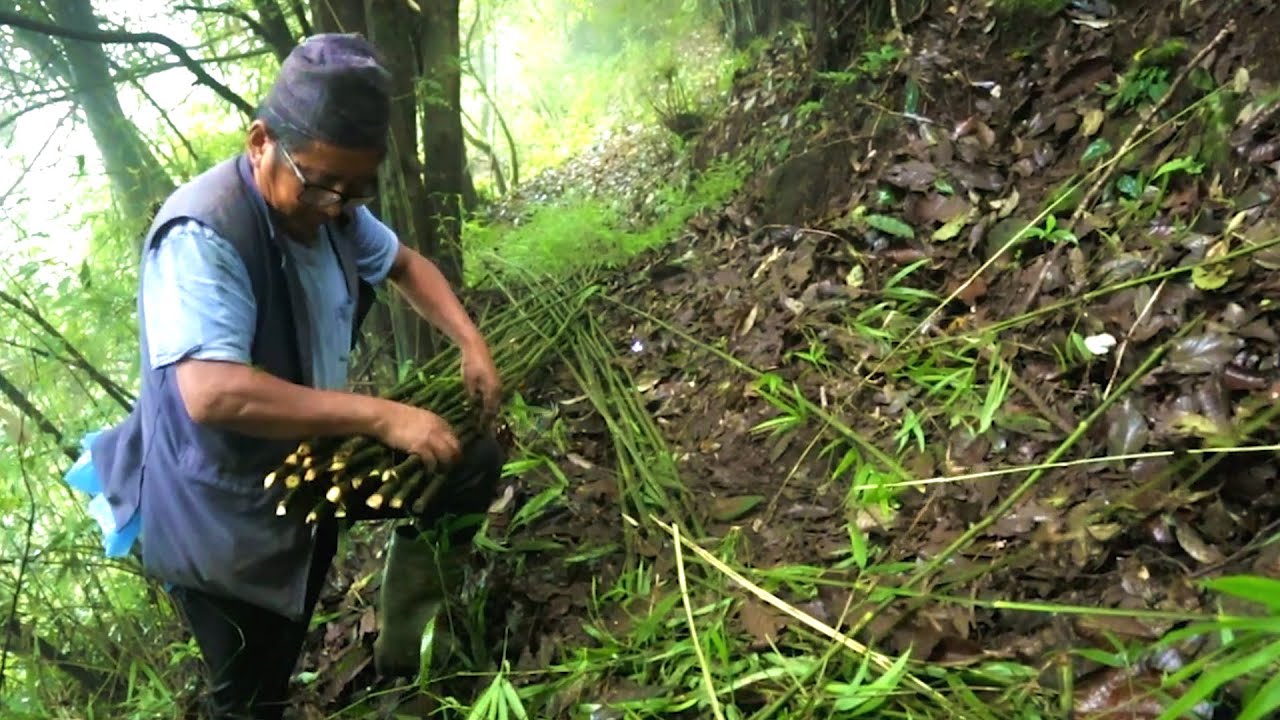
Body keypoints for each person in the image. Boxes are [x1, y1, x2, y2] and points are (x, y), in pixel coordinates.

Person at [62, 33, 504, 719]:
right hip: (216, 506)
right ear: (260, 140)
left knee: (466, 461)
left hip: (304, 462)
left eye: (358, 188)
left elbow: (406, 265)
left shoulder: (333, 207)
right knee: (253, 689)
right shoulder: (204, 233)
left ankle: (413, 646)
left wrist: (471, 342)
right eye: (326, 183)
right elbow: (212, 393)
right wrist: (383, 415)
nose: (339, 204)